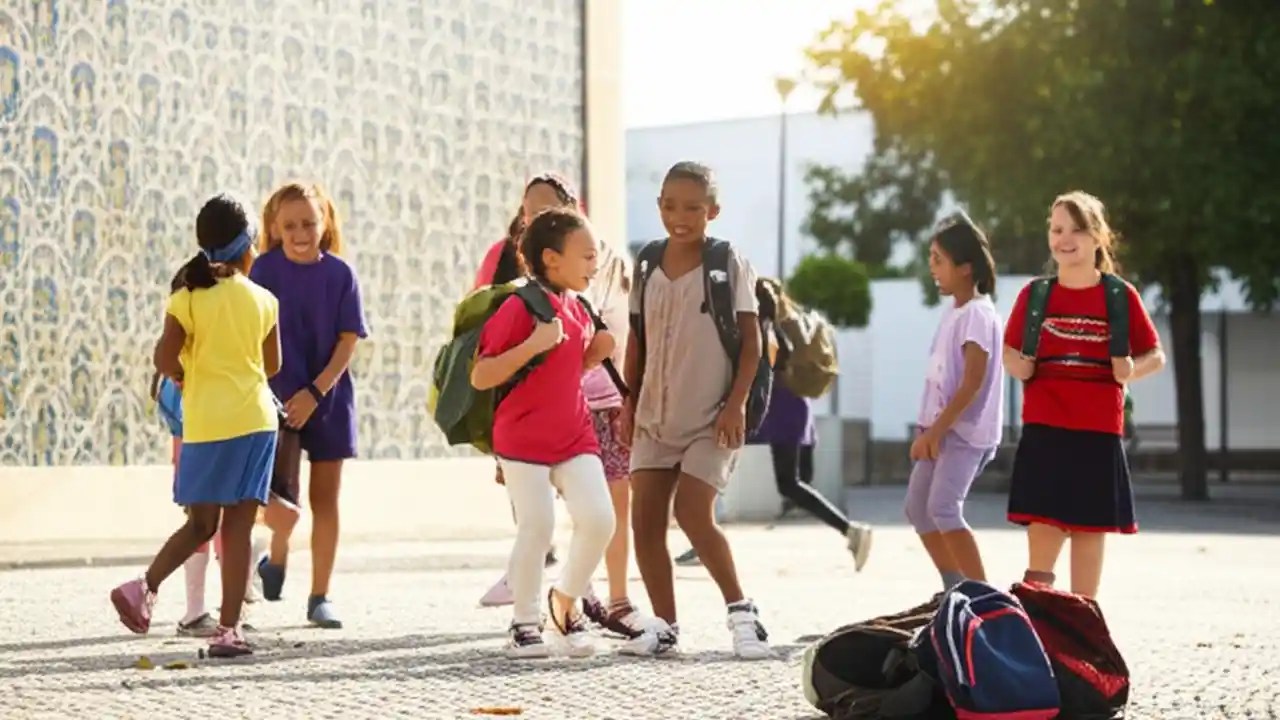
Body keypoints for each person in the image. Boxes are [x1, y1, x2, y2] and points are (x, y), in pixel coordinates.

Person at [110, 193, 281, 657]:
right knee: (238, 528)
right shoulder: (265, 301)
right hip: (253, 421)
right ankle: (229, 632)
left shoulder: (185, 298)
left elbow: (163, 358)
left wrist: (187, 373)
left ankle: (143, 586)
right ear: (250, 246)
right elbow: (273, 365)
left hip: (204, 423)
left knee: (200, 524)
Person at [619, 161, 772, 660]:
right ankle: (664, 626)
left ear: (713, 211)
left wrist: (737, 405)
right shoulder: (645, 262)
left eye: (691, 207)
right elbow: (636, 340)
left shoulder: (728, 264)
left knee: (691, 511)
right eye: (668, 205)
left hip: (712, 417)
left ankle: (742, 613)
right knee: (644, 523)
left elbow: (753, 344)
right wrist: (628, 402)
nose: (678, 216)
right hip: (653, 417)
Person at [1003, 191, 1165, 598]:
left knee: (1090, 535)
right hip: (1044, 430)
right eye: (1057, 229)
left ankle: (1083, 630)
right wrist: (1016, 364)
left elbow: (1155, 354)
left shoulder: (1119, 296)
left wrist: (1131, 370)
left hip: (1098, 432)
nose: (1064, 238)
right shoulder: (1035, 296)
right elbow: (1009, 349)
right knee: (1042, 541)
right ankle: (1040, 628)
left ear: (1098, 238)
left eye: (1076, 229)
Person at [472, 207, 616, 658]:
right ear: (552, 259)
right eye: (587, 256)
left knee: (599, 519)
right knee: (537, 526)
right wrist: (533, 343)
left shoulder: (579, 307)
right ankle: (523, 622)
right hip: (522, 440)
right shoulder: (520, 306)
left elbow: (565, 371)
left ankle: (564, 601)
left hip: (574, 434)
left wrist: (594, 355)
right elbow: (481, 375)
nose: (595, 265)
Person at [250, 182, 368, 629]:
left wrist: (315, 392)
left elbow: (348, 340)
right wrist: (278, 397)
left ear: (325, 224)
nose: (300, 232)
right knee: (283, 497)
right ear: (276, 229)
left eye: (309, 223)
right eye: (290, 225)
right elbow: (253, 335)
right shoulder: (263, 270)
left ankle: (320, 594)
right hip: (276, 401)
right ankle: (275, 560)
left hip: (329, 398)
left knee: (326, 500)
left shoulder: (341, 275)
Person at [473, 174, 578, 608]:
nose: (535, 216)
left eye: (547, 206)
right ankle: (529, 571)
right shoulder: (501, 257)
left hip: (571, 393)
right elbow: (477, 314)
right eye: (529, 208)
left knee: (579, 487)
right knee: (524, 485)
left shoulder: (581, 253)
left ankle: (570, 580)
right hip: (514, 392)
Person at [904, 213, 1004, 591]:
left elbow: (972, 383)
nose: (932, 267)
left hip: (963, 434)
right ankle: (954, 586)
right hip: (938, 430)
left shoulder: (978, 314)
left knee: (944, 508)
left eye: (938, 259)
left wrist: (938, 432)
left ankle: (984, 597)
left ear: (965, 268)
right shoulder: (954, 312)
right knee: (918, 509)